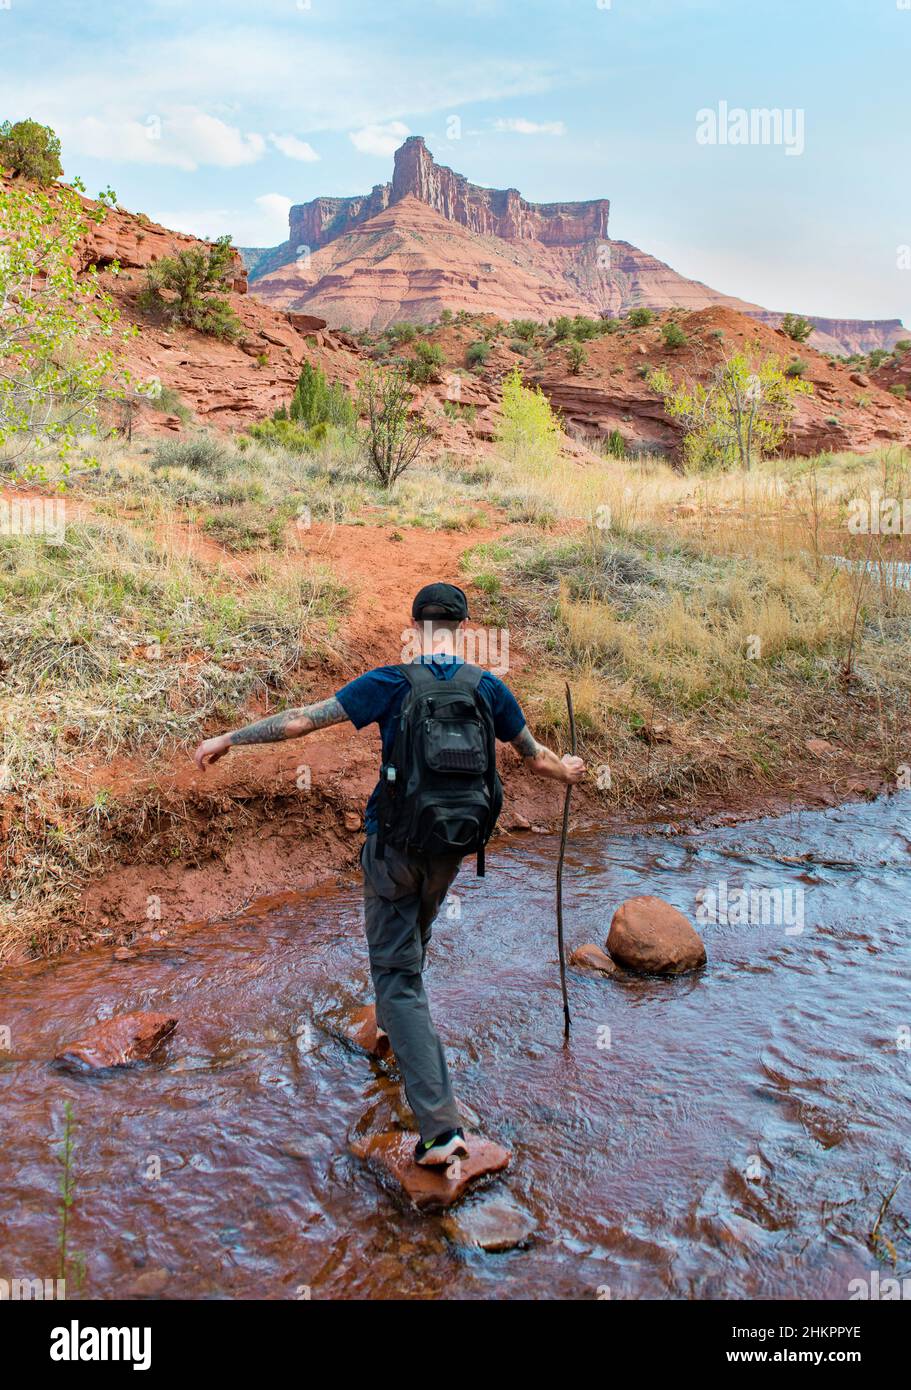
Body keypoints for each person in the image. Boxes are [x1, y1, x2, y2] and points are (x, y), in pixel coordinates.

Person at [195, 582, 586, 1166]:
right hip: (453, 848)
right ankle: (395, 1029)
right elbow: (533, 755)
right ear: (461, 628)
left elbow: (304, 722)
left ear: (414, 626)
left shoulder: (391, 682)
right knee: (413, 940)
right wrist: (570, 771)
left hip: (393, 847)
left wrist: (231, 737)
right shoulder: (488, 688)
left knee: (398, 974)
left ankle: (439, 1130)